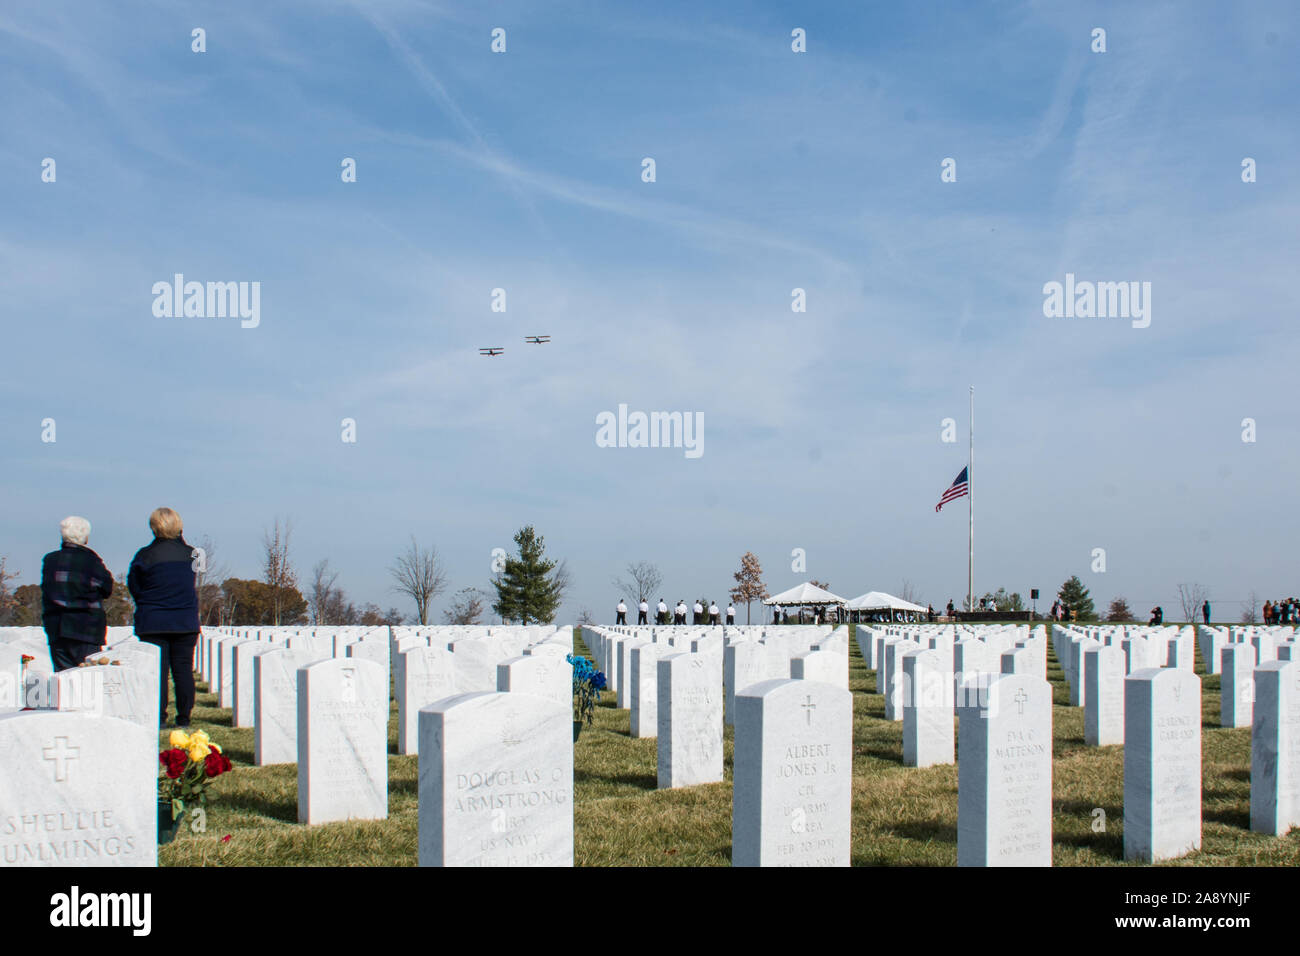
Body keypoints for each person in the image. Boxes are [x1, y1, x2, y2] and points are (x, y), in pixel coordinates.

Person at [128, 507, 201, 728]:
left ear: (153, 527)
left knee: (157, 671)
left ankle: (158, 716)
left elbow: (134, 586)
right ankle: (184, 717)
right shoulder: (193, 554)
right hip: (184, 620)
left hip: (153, 620)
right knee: (183, 670)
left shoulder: (144, 556)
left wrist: (147, 603)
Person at [41, 516, 114, 671]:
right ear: (85, 537)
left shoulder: (50, 560)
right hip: (86, 628)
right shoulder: (92, 560)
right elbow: (107, 588)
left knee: (63, 681)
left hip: (58, 628)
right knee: (88, 680)